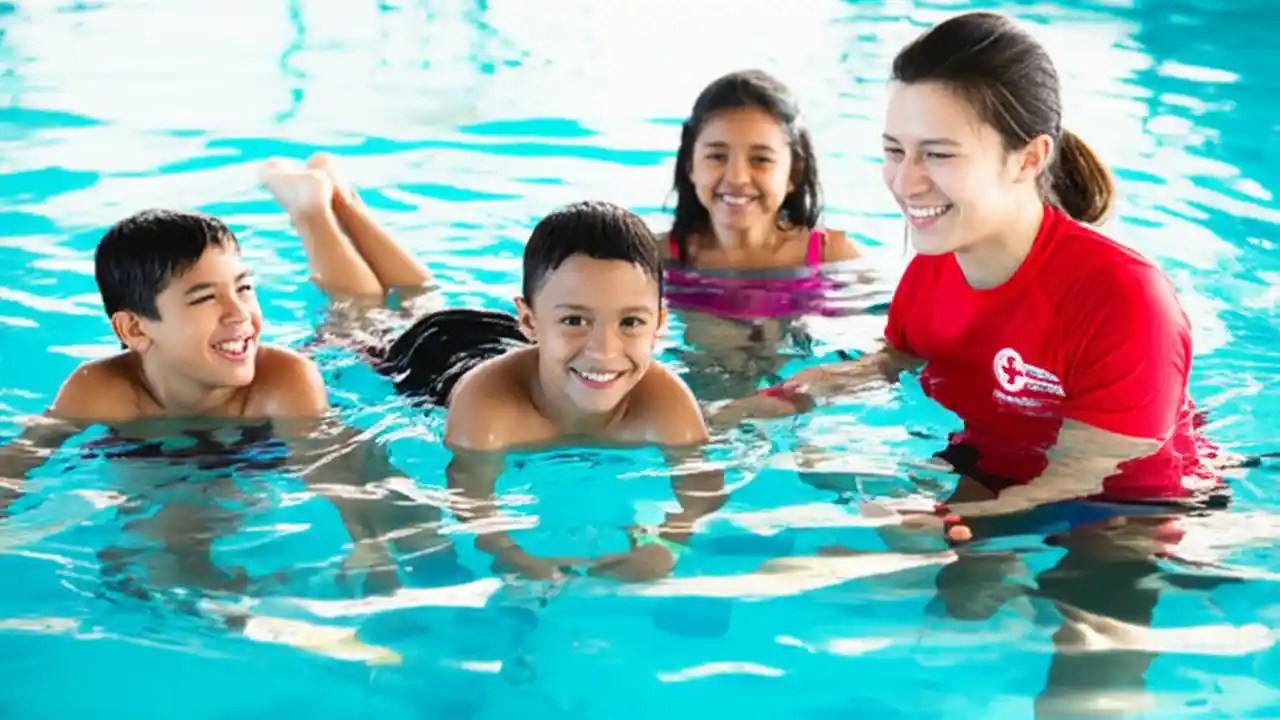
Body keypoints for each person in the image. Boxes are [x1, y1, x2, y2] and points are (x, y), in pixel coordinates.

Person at [714, 12, 1229, 716]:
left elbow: (1089, 472)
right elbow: (891, 359)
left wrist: (949, 518)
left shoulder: (1120, 295)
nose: (905, 181)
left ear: (1027, 157)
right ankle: (992, 590)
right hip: (988, 472)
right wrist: (774, 404)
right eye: (893, 150)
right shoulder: (936, 262)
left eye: (938, 154)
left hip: (1124, 511)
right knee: (811, 588)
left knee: (1082, 696)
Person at [260, 155, 726, 582]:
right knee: (358, 312)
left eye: (630, 322)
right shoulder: (488, 413)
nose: (605, 349)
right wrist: (514, 557)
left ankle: (343, 198)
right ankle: (313, 210)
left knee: (419, 292)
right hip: (439, 357)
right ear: (531, 320)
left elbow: (703, 489)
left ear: (660, 326)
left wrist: (668, 543)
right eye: (575, 320)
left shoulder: (665, 401)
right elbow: (472, 505)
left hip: (514, 344)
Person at [0, 209, 441, 595]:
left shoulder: (283, 380)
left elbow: (330, 470)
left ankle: (320, 208)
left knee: (366, 310)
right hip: (198, 458)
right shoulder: (103, 389)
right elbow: (19, 460)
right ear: (135, 329)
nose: (238, 313)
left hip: (335, 370)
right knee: (155, 564)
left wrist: (367, 544)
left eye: (244, 288)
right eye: (206, 297)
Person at [660, 69, 878, 402]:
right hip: (697, 398)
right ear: (690, 164)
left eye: (761, 159)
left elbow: (885, 354)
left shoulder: (832, 255)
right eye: (717, 156)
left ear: (794, 172)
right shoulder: (656, 257)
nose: (737, 177)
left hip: (793, 407)